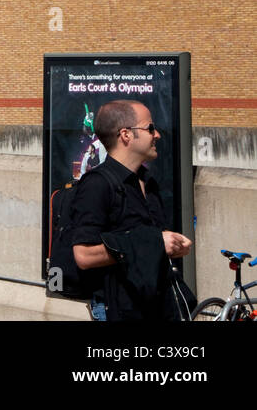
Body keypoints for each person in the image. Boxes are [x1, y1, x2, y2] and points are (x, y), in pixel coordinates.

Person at [70, 99, 193, 321]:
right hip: (118, 310)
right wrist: (155, 243)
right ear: (126, 135)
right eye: (150, 128)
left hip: (156, 306)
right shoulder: (96, 185)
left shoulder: (149, 183)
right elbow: (84, 255)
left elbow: (149, 242)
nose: (157, 135)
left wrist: (170, 245)